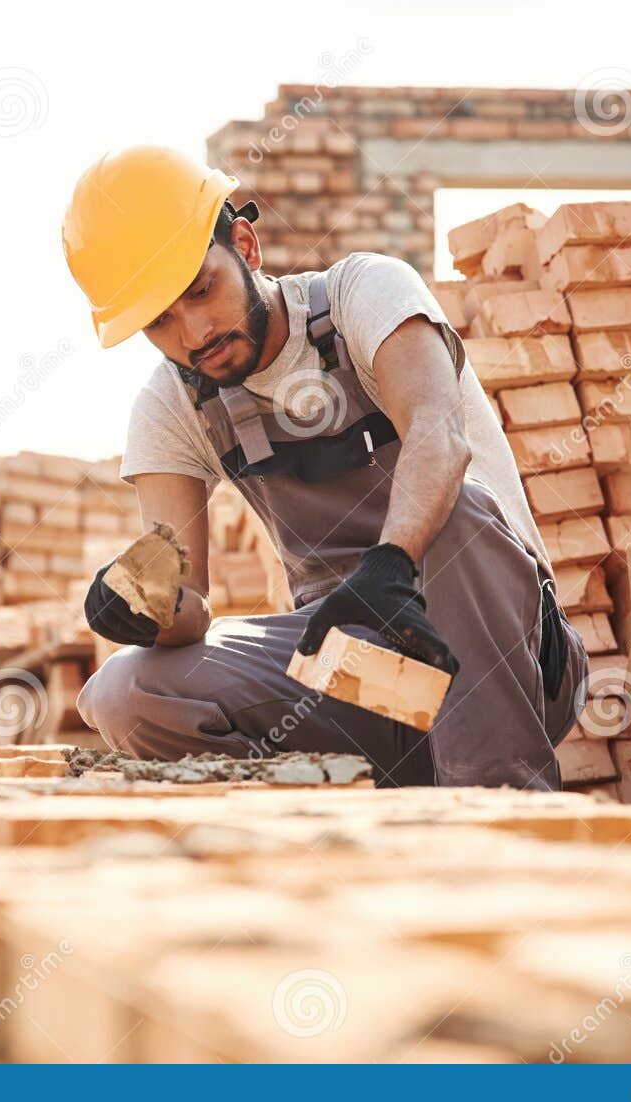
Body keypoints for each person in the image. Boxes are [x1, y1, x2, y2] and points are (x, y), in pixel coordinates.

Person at [62, 145, 588, 788]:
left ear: (246, 247)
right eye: (160, 321)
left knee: (461, 510)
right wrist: (144, 605)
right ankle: (325, 828)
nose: (195, 333)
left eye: (203, 290)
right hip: (369, 685)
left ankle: (506, 813)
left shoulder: (364, 292)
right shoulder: (171, 405)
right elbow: (191, 602)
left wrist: (391, 566)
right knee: (126, 690)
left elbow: (439, 435)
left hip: (516, 660)